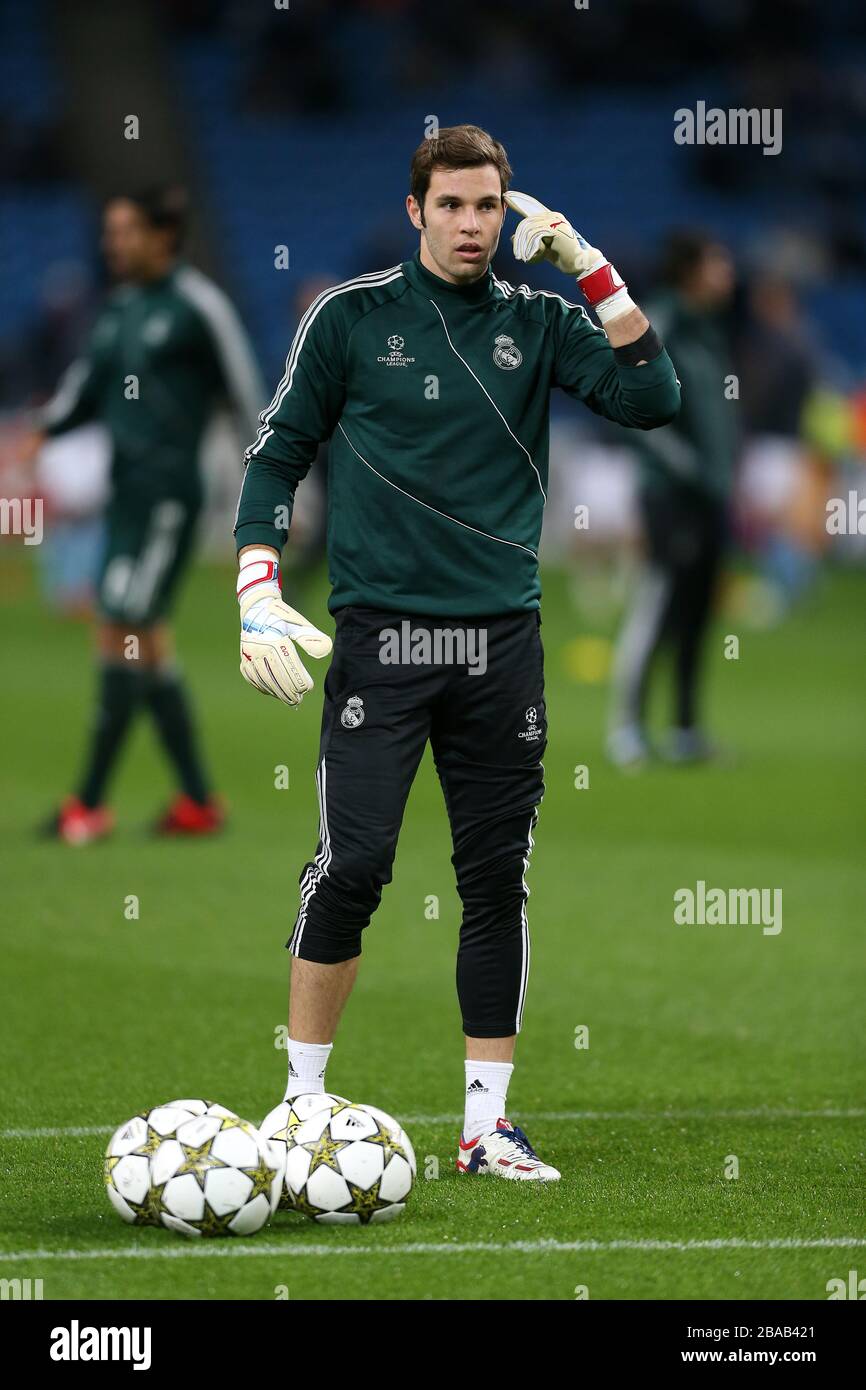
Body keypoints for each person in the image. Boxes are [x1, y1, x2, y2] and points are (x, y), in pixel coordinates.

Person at [234, 126, 680, 1184]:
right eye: (452, 206)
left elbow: (652, 399)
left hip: (501, 648)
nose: (473, 225)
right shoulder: (349, 318)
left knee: (494, 884)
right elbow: (276, 453)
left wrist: (594, 272)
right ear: (415, 211)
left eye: (489, 207)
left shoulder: (538, 322)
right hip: (383, 642)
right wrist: (256, 584)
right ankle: (300, 1104)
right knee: (353, 866)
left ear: (509, 213)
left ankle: (484, 1130)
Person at [21, 186, 265, 842]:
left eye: (125, 231)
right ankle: (197, 800)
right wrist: (41, 430)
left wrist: (276, 492)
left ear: (163, 236)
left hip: (168, 496)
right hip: (123, 496)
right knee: (144, 643)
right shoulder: (120, 308)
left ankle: (89, 804)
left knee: (125, 621)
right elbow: (84, 386)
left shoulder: (199, 306)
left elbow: (248, 396)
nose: (112, 243)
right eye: (110, 231)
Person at [607, 230, 737, 767]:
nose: (727, 271)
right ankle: (627, 730)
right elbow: (636, 413)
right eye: (717, 260)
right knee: (657, 606)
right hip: (670, 496)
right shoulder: (660, 323)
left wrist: (722, 475)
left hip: (709, 495)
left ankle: (684, 729)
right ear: (691, 270)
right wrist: (690, 468)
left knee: (699, 609)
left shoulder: (708, 331)